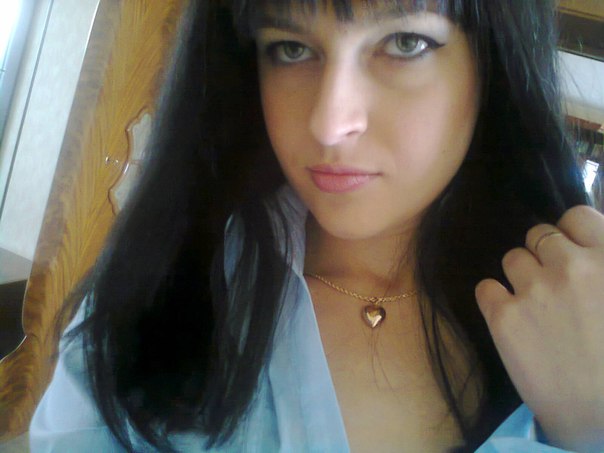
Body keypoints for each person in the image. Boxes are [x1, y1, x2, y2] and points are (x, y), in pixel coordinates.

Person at [29, 0, 604, 451]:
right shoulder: (157, 293)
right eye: (291, 48)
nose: (329, 123)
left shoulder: (581, 310)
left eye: (405, 42)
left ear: (494, 64)